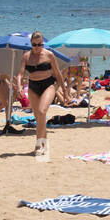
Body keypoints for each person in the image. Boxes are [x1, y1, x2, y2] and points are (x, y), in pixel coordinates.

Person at [20, 31, 68, 159]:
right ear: (31, 44)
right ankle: (45, 143)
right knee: (38, 117)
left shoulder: (49, 55)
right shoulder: (26, 56)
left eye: (40, 44)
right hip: (33, 86)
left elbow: (58, 74)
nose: (37, 47)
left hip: (48, 85)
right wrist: (19, 85)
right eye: (35, 45)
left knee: (42, 112)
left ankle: (38, 144)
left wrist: (65, 92)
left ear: (43, 43)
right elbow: (20, 74)